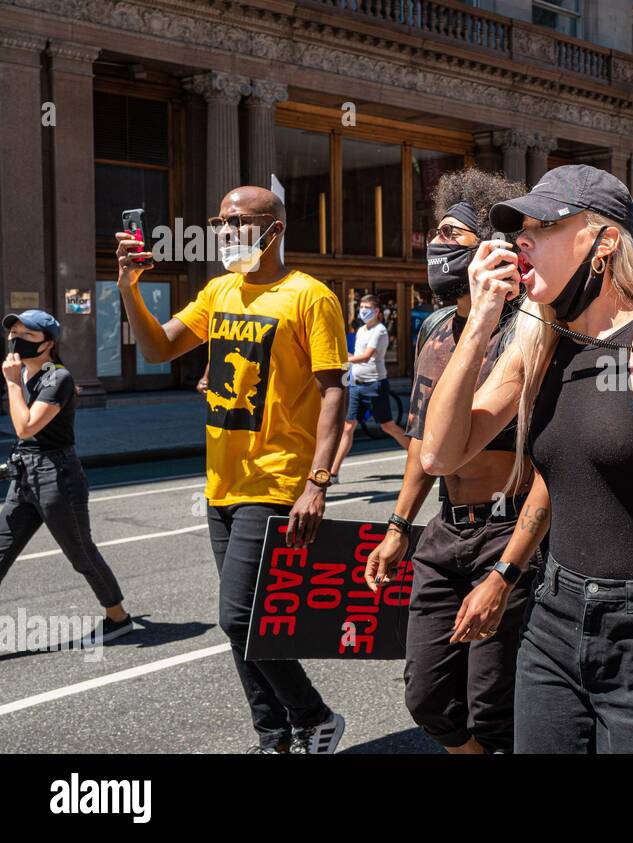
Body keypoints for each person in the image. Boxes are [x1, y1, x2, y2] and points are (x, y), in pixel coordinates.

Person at [421, 164, 633, 753]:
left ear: (603, 242)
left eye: (541, 226)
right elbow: (441, 454)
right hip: (551, 618)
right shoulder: (537, 343)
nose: (520, 240)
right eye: (517, 229)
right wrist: (478, 324)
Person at [116, 185, 349, 754]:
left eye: (237, 221)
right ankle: (274, 739)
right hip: (222, 481)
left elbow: (333, 390)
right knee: (247, 622)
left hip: (275, 480)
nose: (225, 232)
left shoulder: (309, 296)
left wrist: (317, 483)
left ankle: (314, 715)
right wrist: (128, 288)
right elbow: (158, 349)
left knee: (238, 615)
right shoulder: (219, 290)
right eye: (220, 222)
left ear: (274, 228)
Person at [363, 169, 540, 755]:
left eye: (452, 234)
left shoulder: (529, 331)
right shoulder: (436, 329)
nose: (437, 246)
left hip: (509, 528)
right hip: (445, 531)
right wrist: (397, 526)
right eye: (436, 232)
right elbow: (421, 436)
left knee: (494, 703)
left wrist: (507, 570)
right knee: (429, 698)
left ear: (492, 246)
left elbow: (552, 462)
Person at [0, 310, 133, 642]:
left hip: (57, 478)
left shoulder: (57, 378)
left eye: (26, 335)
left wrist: (13, 384)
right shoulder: (26, 375)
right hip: (25, 478)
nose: (16, 339)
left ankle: (118, 617)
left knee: (80, 553)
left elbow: (26, 426)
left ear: (48, 343)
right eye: (13, 332)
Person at [329, 294, 409, 481]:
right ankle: (333, 472)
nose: (362, 310)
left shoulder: (380, 331)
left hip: (375, 384)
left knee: (387, 426)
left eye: (367, 307)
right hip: (357, 385)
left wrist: (344, 359)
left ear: (376, 311)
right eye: (361, 307)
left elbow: (366, 356)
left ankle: (416, 456)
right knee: (348, 427)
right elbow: (356, 355)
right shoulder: (361, 330)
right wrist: (345, 360)